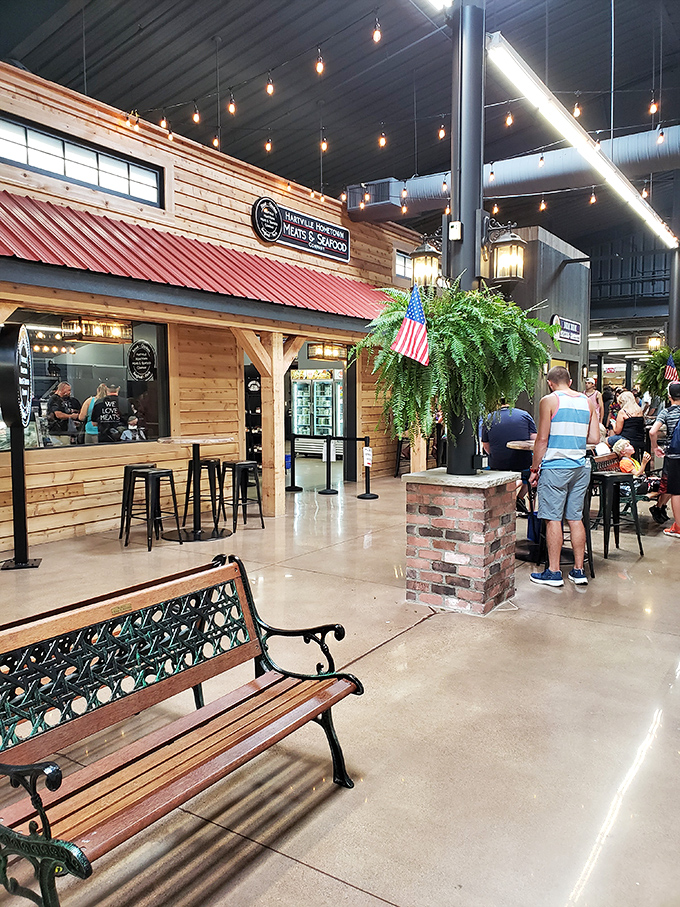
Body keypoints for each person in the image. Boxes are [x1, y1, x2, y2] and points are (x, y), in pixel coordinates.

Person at [529, 365, 600, 587]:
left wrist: (534, 469)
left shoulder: (549, 401)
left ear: (550, 383)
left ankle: (553, 572)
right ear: (570, 382)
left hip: (556, 467)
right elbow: (595, 438)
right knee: (575, 518)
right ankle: (579, 571)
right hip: (580, 466)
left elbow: (541, 439)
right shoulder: (588, 402)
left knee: (553, 518)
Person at [481, 402, 537, 511]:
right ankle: (520, 497)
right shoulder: (525, 415)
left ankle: (504, 499)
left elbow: (485, 445)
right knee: (533, 471)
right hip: (522, 463)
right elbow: (534, 440)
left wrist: (495, 455)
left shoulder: (489, 418)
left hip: (497, 464)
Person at [649, 382, 680, 529]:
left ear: (669, 396)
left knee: (675, 490)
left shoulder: (666, 412)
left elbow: (652, 431)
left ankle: (678, 526)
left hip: (673, 454)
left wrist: (655, 447)